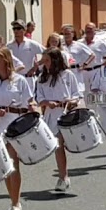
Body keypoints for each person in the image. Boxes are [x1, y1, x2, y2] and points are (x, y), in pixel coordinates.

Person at [0, 46, 36, 210]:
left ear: (6, 61)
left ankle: (16, 203)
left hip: (16, 125)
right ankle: (13, 202)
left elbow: (30, 101)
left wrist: (33, 109)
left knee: (14, 163)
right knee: (5, 166)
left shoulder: (19, 80)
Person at [35, 47, 83, 193]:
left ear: (55, 60)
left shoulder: (68, 75)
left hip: (66, 112)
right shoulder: (42, 78)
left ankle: (63, 175)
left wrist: (72, 101)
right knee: (58, 145)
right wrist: (47, 103)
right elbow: (39, 98)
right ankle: (64, 176)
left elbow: (77, 94)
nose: (45, 63)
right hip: (51, 114)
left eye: (48, 60)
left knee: (63, 144)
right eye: (44, 60)